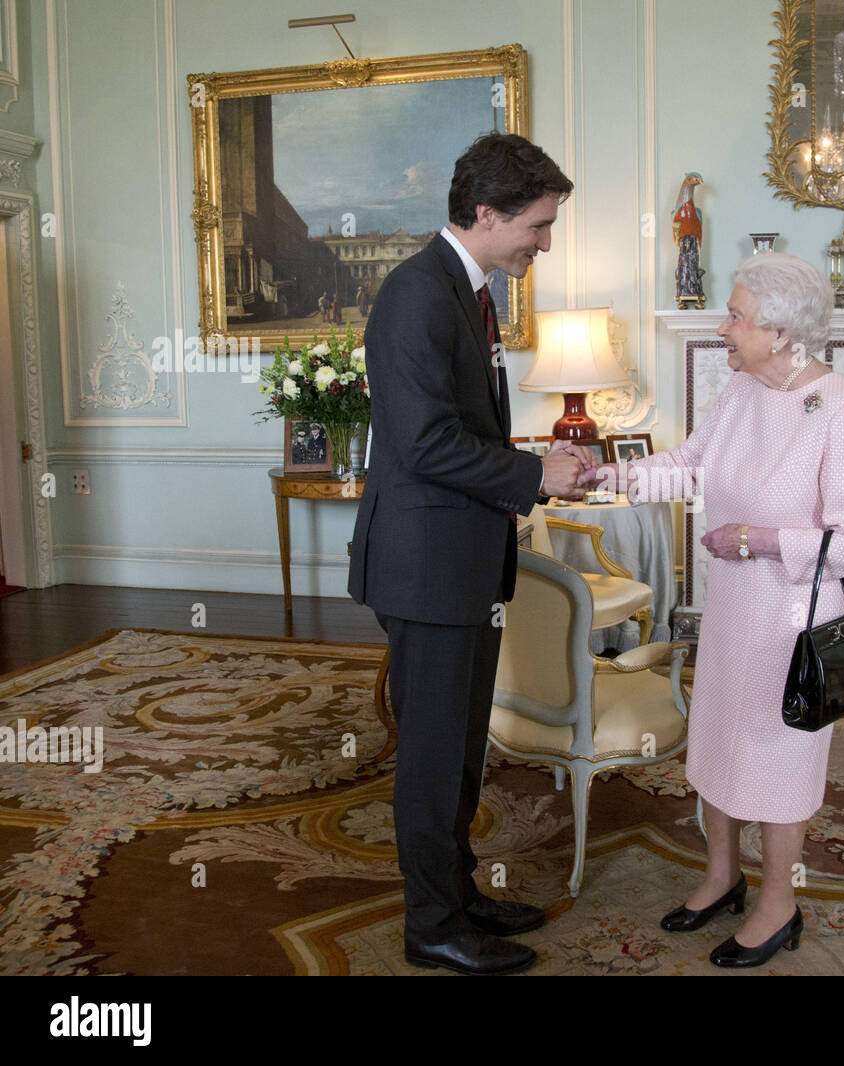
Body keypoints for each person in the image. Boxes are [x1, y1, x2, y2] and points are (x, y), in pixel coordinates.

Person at [580, 252, 844, 968]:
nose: (725, 327)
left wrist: (756, 539)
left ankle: (780, 903)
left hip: (793, 621)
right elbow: (692, 466)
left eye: (737, 316)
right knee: (718, 742)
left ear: (779, 331)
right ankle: (721, 875)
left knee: (779, 757)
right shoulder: (743, 390)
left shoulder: (839, 411)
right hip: (732, 610)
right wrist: (610, 474)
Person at [348, 132, 592, 975]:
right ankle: (432, 928)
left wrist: (530, 464)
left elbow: (460, 428)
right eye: (538, 224)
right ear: (486, 214)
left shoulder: (465, 288)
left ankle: (457, 894)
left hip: (458, 563)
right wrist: (536, 472)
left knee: (457, 747)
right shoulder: (417, 295)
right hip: (425, 567)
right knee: (431, 756)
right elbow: (423, 444)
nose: (544, 242)